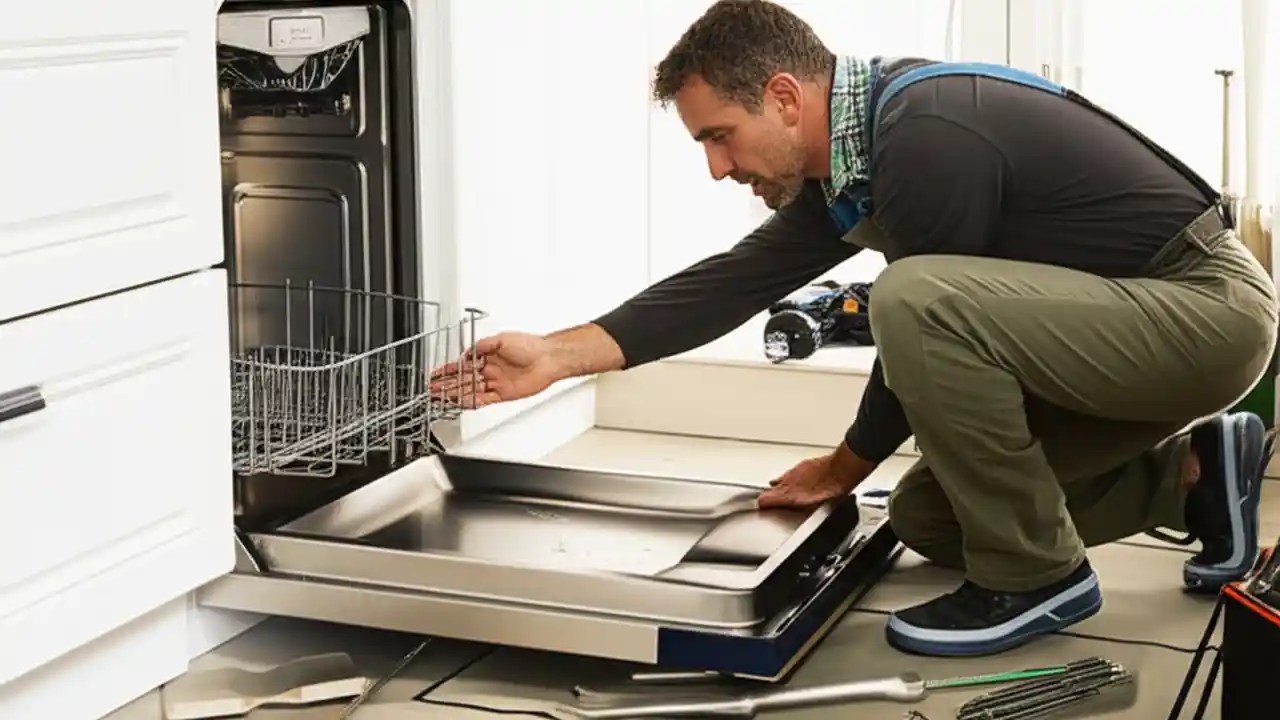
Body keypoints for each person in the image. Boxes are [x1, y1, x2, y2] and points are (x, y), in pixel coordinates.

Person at [430, 0, 1278, 657]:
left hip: (1203, 308)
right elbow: (727, 285)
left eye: (720, 137)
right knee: (928, 517)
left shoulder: (925, 135)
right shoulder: (854, 165)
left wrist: (845, 463)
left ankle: (1039, 581)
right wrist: (557, 355)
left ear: (786, 98)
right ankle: (1198, 474)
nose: (717, 167)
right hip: (1136, 330)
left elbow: (927, 328)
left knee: (907, 298)